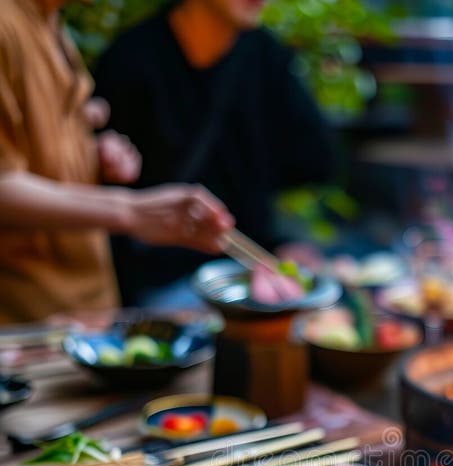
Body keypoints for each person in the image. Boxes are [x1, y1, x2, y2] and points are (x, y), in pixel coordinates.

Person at [0, 0, 233, 325]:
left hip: (83, 313)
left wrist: (88, 152)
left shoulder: (50, 20)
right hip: (25, 324)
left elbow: (31, 149)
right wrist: (130, 210)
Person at [95, 0, 334, 307]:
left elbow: (315, 161)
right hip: (159, 286)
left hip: (251, 269)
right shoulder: (130, 60)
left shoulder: (264, 55)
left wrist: (290, 242)